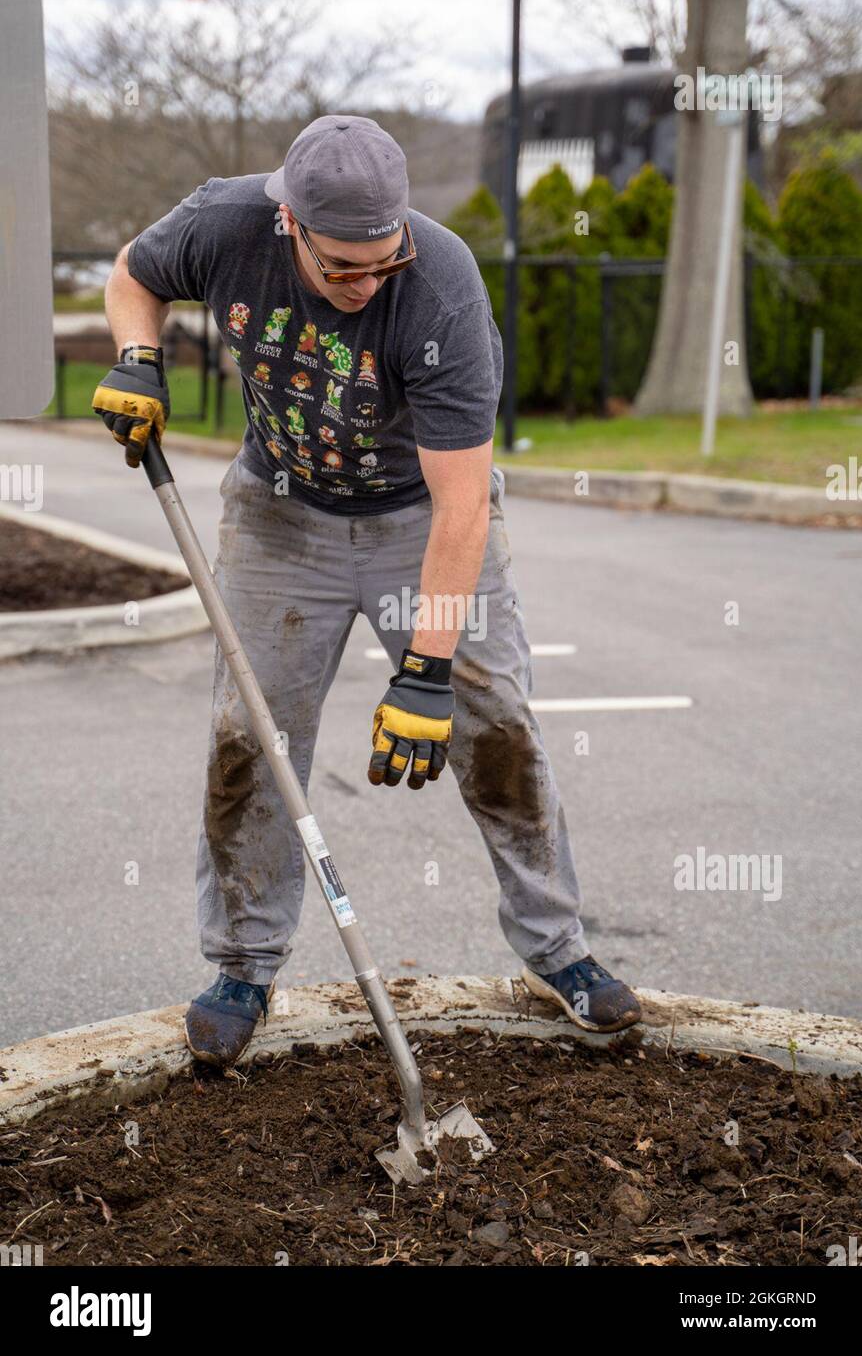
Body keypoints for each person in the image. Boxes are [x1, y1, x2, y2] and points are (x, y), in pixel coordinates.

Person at [93, 115, 641, 1065]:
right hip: (280, 512)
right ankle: (243, 966)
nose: (363, 285)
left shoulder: (439, 285)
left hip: (417, 518)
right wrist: (139, 359)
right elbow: (132, 274)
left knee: (496, 720)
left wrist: (425, 673)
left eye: (380, 264)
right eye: (342, 267)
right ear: (289, 224)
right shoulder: (223, 223)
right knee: (249, 733)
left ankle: (561, 953)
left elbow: (462, 505)